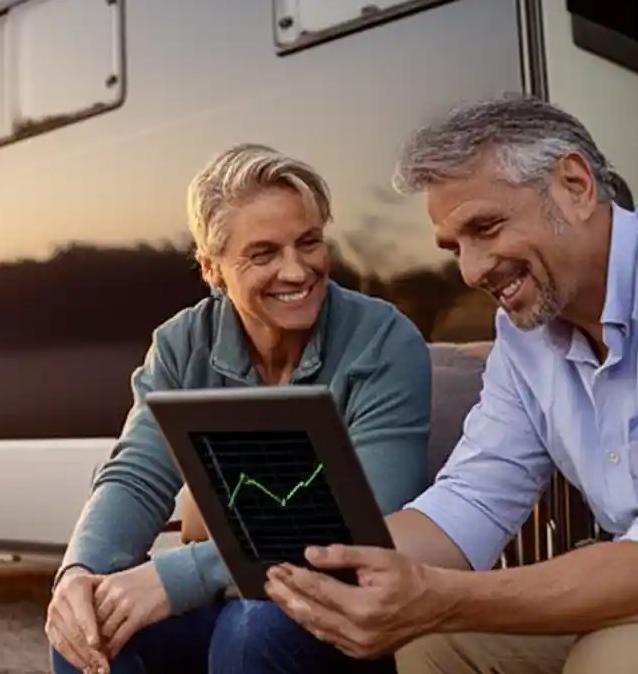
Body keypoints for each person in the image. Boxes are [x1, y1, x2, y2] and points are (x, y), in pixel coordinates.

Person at [261, 95, 638, 673]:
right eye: (455, 249)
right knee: (432, 643)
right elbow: (472, 498)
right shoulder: (527, 333)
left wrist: (441, 598)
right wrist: (321, 560)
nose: (473, 272)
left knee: (621, 663)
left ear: (574, 185)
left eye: (486, 227)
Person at [45, 143, 433, 674]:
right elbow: (135, 474)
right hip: (234, 595)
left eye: (309, 243)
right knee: (90, 631)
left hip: (346, 611)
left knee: (253, 629)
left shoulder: (383, 341)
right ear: (212, 269)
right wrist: (78, 572)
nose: (297, 271)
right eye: (264, 254)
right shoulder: (182, 344)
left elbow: (365, 524)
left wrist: (176, 577)